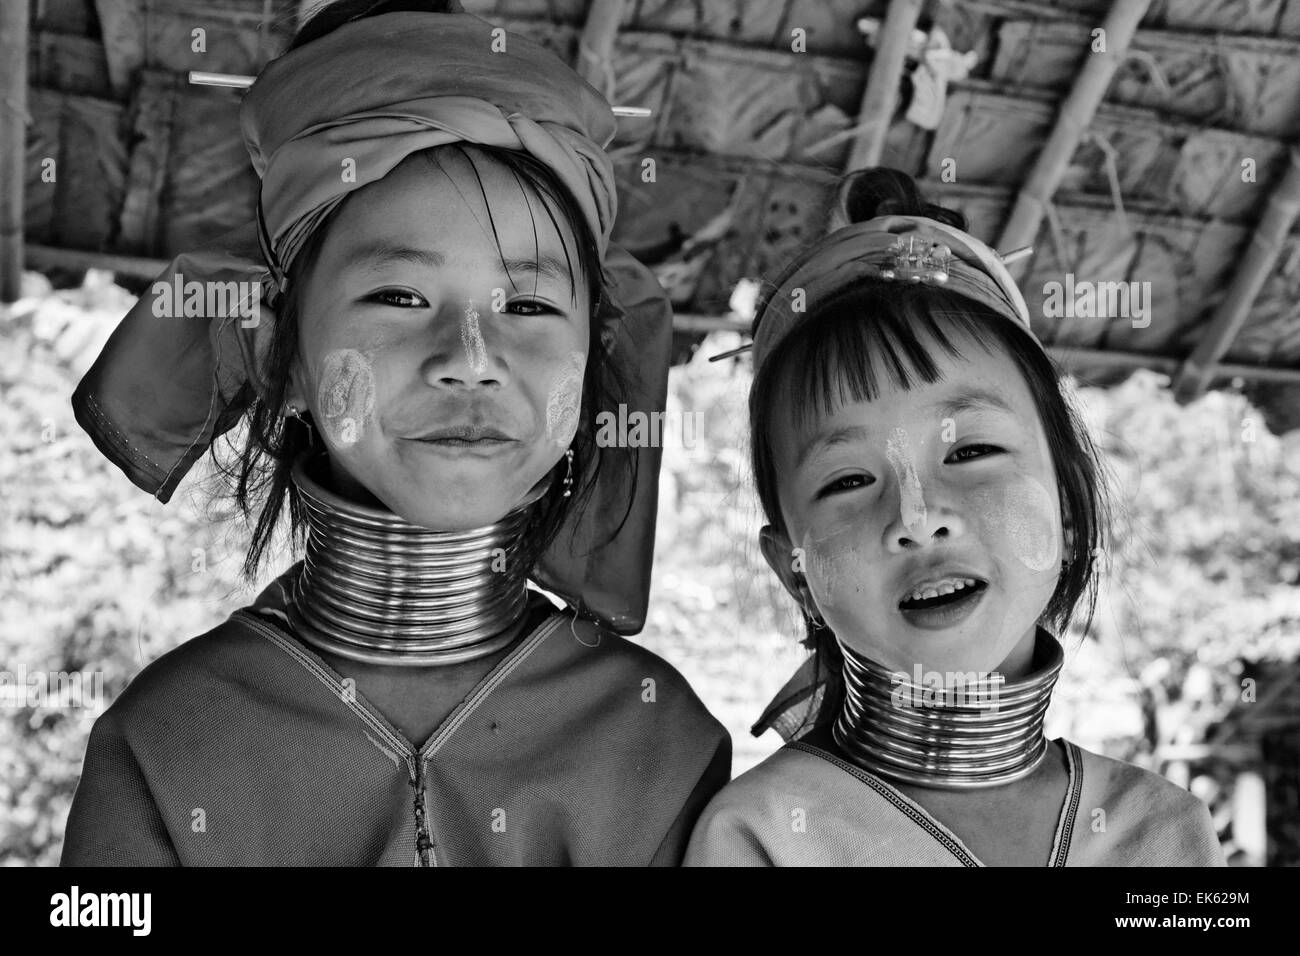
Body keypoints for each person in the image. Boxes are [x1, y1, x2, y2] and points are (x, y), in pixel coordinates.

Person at [62, 2, 729, 866]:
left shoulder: (658, 742)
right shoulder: (165, 743)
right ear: (284, 360)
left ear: (592, 368)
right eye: (399, 298)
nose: (470, 358)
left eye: (528, 306)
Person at [684, 168, 1223, 867]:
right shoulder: (762, 836)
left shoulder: (1164, 832)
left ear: (1067, 506)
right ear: (793, 569)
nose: (917, 516)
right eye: (848, 479)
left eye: (970, 450)